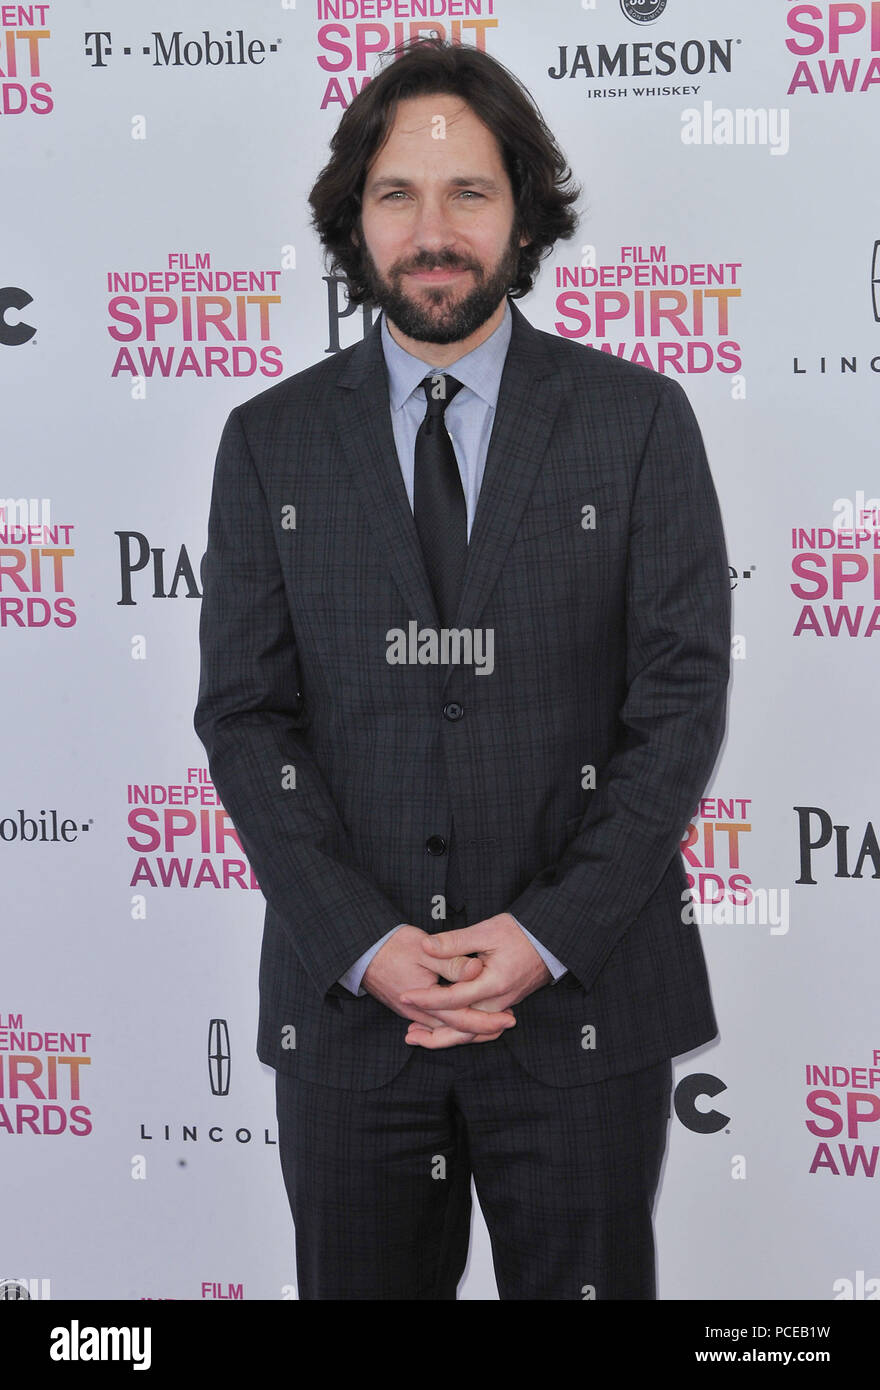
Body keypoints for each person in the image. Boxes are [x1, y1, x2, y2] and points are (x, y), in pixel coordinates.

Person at [194, 36, 731, 1300]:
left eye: (467, 192)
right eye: (398, 194)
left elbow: (678, 703)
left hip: (581, 1008)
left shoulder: (637, 422)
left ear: (522, 213)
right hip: (348, 1019)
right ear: (354, 218)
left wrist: (546, 935)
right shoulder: (267, 443)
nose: (432, 230)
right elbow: (244, 715)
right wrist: (363, 939)